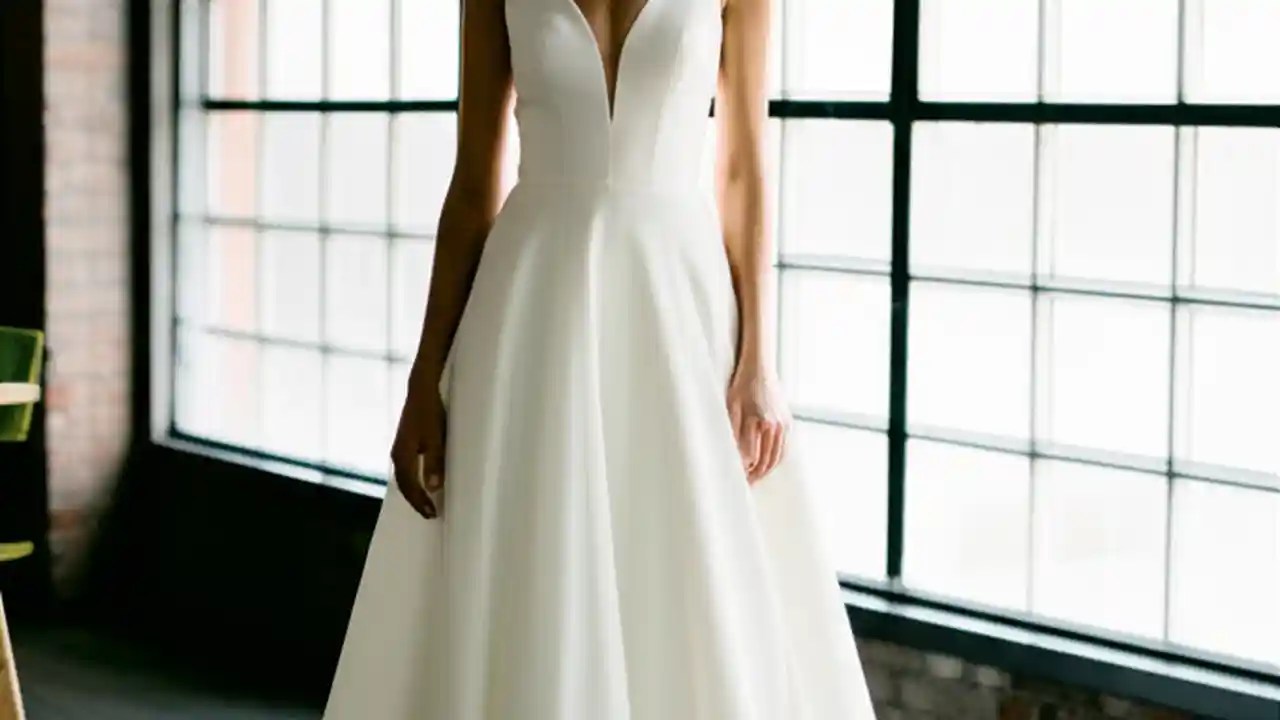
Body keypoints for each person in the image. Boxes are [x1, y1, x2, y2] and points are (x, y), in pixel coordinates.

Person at [323, 0, 877, 717]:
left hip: (678, 304)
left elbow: (741, 168)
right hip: (532, 313)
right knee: (542, 564)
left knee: (688, 566)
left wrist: (759, 363)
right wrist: (424, 378)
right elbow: (473, 181)